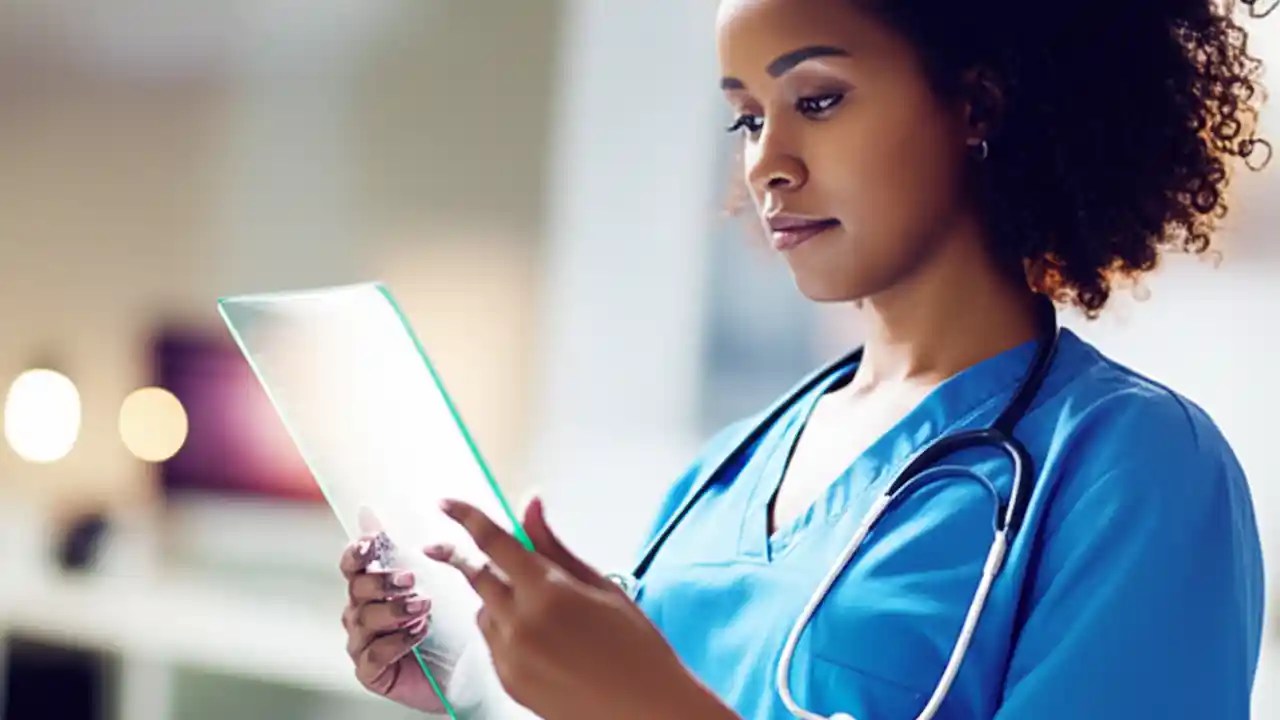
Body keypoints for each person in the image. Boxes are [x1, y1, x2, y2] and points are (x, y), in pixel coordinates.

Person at [339, 0, 1273, 717]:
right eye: (747, 119)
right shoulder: (727, 473)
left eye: (816, 101)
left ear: (976, 103)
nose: (766, 163)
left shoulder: (1135, 467)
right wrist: (489, 681)